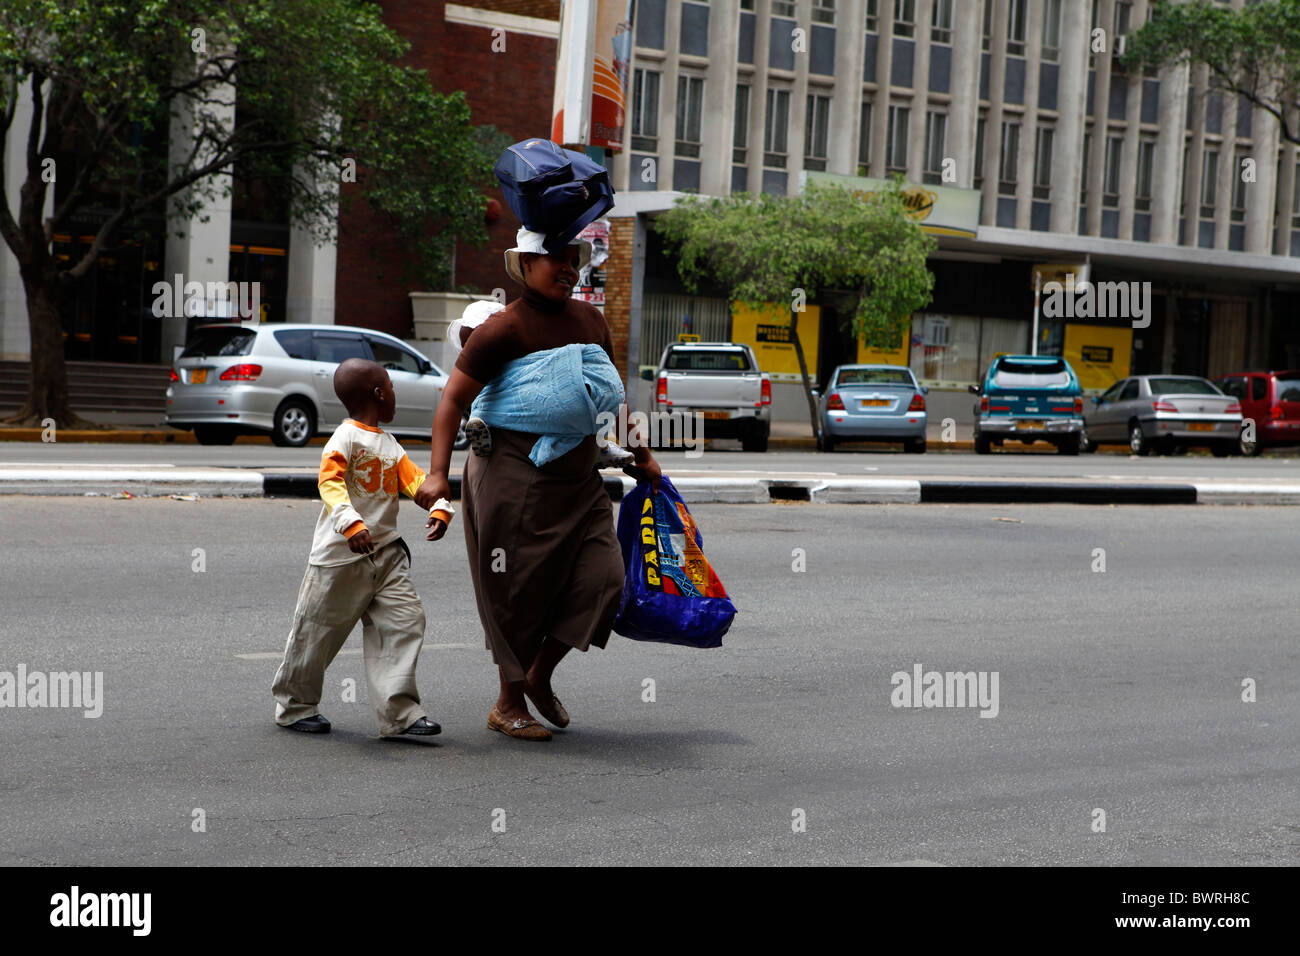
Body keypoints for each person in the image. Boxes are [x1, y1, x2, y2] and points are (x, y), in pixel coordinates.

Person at [424, 227, 661, 742]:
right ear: (524, 265)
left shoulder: (592, 320)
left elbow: (608, 398)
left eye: (574, 259)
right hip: (512, 473)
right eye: (555, 258)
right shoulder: (503, 329)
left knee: (605, 577)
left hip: (578, 475)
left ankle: (539, 673)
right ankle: (507, 702)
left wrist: (641, 454)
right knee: (517, 591)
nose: (568, 268)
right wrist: (438, 473)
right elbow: (451, 402)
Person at [272, 358, 451, 737]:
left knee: (405, 622)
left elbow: (415, 482)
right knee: (317, 631)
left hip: (385, 555)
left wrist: (438, 505)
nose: (395, 393)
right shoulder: (345, 438)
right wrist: (350, 523)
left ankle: (400, 715)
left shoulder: (389, 445)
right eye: (392, 386)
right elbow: (330, 484)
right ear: (379, 393)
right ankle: (295, 706)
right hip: (338, 558)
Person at [451, 299, 633, 467]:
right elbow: (456, 400)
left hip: (565, 424)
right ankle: (484, 431)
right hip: (513, 443)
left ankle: (599, 447)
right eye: (468, 344)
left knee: (579, 415)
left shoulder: (523, 357)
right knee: (483, 407)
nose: (473, 349)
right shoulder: (480, 371)